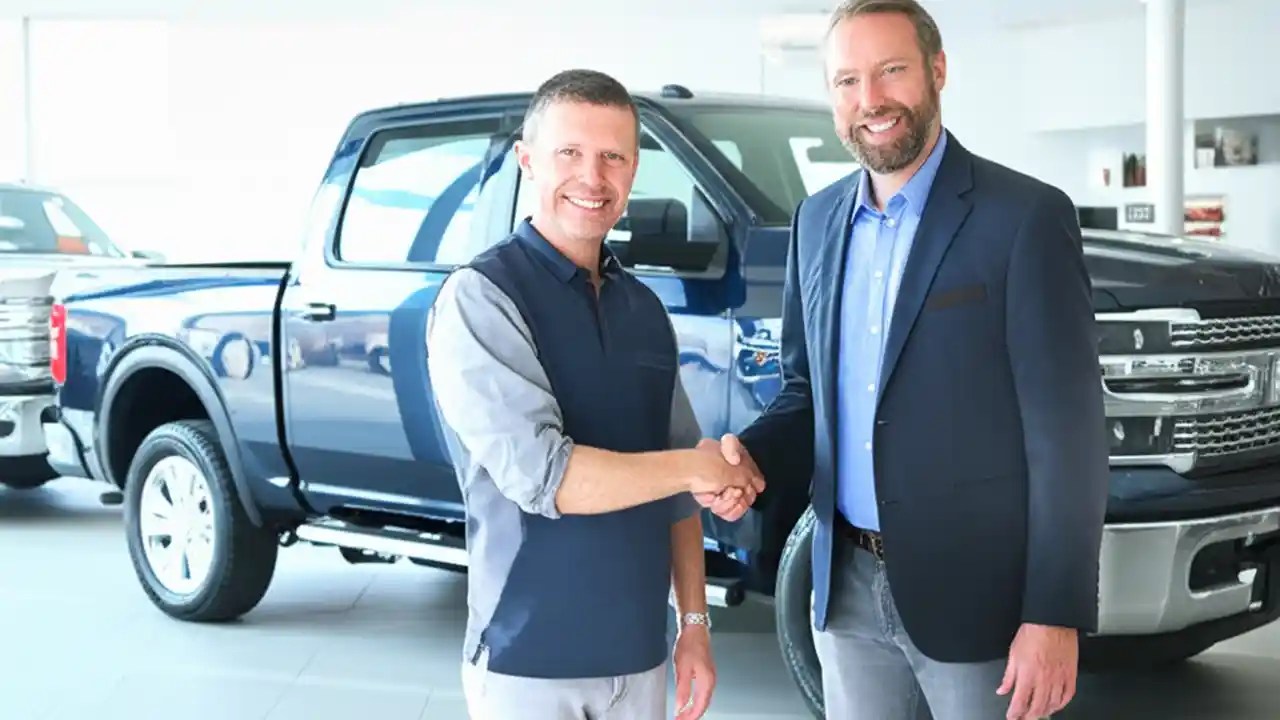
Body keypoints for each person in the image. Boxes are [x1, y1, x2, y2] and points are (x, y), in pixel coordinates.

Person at [715, 1, 1111, 718]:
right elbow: (806, 392)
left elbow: (1069, 437)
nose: (870, 101)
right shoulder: (817, 219)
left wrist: (1054, 612)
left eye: (890, 71)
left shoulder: (1023, 218)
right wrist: (750, 460)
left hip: (979, 599)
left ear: (937, 70)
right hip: (846, 590)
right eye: (846, 81)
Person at [426, 68, 763, 720]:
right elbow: (548, 479)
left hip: (640, 660)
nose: (593, 177)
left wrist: (693, 623)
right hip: (528, 661)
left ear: (634, 172)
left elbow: (678, 495)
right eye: (570, 154)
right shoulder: (482, 299)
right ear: (528, 161)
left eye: (614, 157)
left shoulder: (643, 309)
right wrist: (699, 467)